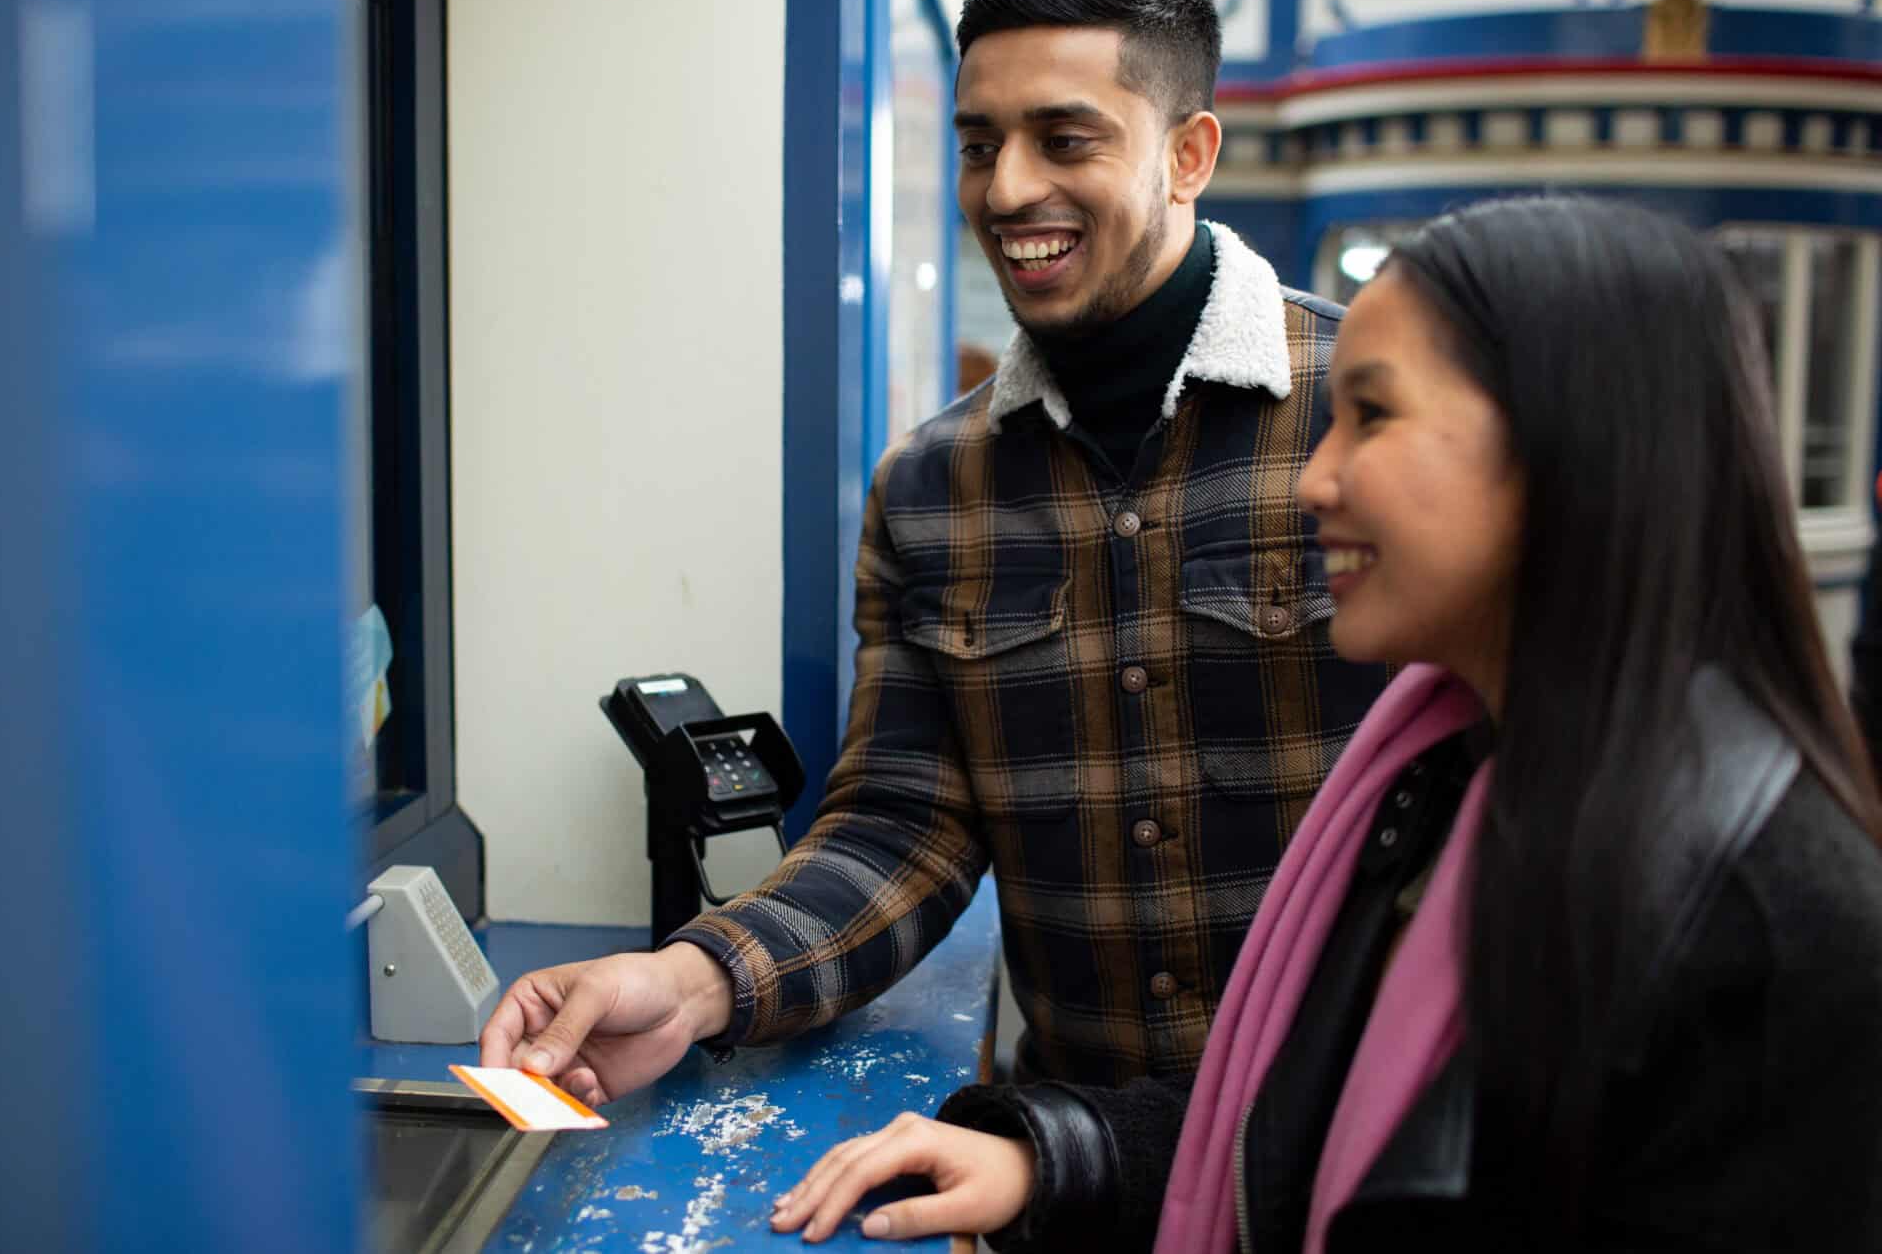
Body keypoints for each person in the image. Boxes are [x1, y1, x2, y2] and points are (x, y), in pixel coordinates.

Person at [766, 197, 1882, 1251]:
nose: (1314, 480)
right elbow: (1306, 1112)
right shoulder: (1441, 779)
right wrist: (1051, 1156)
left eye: (1373, 417)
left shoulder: (1774, 934)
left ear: (1569, 446)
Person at [479, 0, 1388, 1100]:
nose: (1006, 190)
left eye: (1064, 139)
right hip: (1069, 1176)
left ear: (1186, 154)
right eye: (978, 146)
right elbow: (900, 829)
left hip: (1358, 1164)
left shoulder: (1369, 410)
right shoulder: (930, 486)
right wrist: (696, 982)